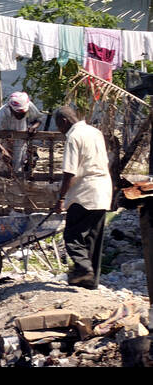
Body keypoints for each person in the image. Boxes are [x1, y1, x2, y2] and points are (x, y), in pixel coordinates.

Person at [53, 105, 112, 289]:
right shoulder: (95, 132)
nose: (60, 131)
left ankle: (83, 268)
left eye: (59, 126)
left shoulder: (73, 136)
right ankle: (90, 281)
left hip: (85, 191)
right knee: (93, 237)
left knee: (72, 235)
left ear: (64, 121)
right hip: (103, 189)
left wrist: (61, 198)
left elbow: (69, 172)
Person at [0, 91, 44, 175]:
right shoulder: (3, 112)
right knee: (4, 169)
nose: (21, 116)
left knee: (19, 169)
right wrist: (3, 150)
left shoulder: (28, 105)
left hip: (20, 142)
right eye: (18, 114)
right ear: (12, 109)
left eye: (23, 114)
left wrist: (33, 127)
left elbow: (39, 118)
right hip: (4, 142)